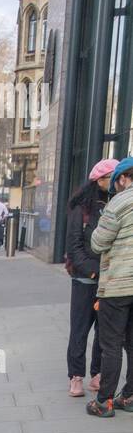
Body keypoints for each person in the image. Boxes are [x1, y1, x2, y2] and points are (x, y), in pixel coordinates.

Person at [65, 159, 118, 398]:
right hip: (86, 280)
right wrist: (94, 271)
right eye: (111, 178)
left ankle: (97, 374)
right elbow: (74, 247)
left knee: (103, 331)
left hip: (110, 280)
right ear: (99, 180)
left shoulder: (117, 204)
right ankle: (76, 376)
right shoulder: (82, 208)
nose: (116, 182)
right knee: (80, 329)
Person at [87, 157, 133, 417]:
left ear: (123, 179)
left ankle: (104, 402)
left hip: (118, 284)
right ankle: (129, 396)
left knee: (111, 344)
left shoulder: (119, 202)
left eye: (116, 182)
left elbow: (98, 242)